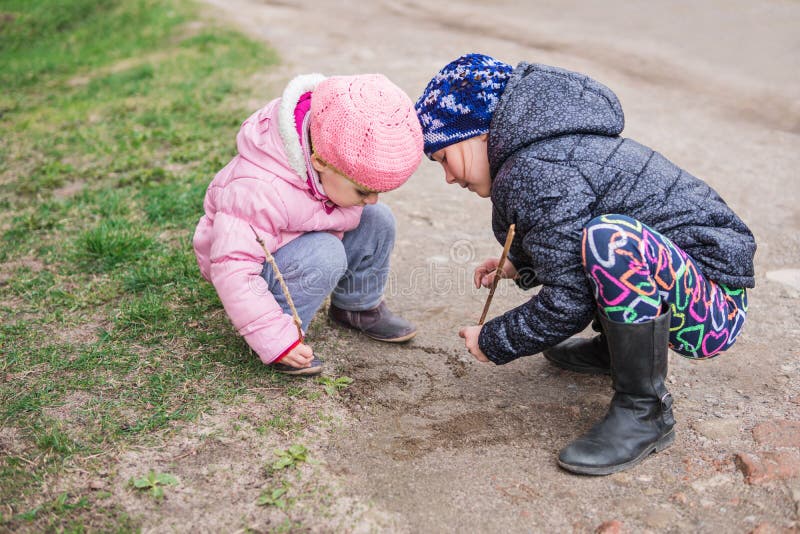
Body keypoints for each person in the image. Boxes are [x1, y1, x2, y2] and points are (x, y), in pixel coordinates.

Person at [415, 54, 755, 475]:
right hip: (693, 286)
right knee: (599, 238)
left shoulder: (535, 168)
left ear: (480, 134)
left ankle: (644, 412)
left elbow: (569, 300)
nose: (447, 177)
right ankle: (616, 350)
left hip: (713, 310)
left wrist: (494, 339)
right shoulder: (542, 153)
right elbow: (562, 241)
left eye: (444, 157)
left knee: (611, 241)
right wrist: (516, 267)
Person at [193, 73, 423, 376]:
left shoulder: (330, 164)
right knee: (326, 252)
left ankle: (355, 306)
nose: (372, 198)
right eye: (363, 190)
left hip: (303, 238)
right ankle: (285, 329)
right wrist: (274, 339)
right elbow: (233, 267)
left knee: (378, 219)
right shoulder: (259, 188)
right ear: (320, 163)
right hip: (257, 268)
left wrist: (358, 197)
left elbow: (361, 209)